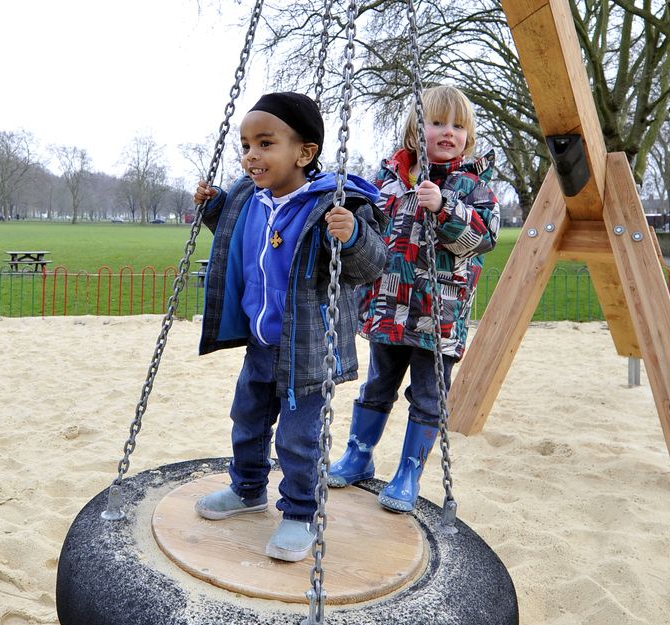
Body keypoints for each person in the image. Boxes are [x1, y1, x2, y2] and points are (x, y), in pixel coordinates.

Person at [193, 91, 389, 562]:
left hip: (308, 348)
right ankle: (248, 490)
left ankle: (300, 514)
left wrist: (354, 235)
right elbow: (235, 233)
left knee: (299, 438)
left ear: (304, 153)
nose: (250, 155)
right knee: (248, 419)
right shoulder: (248, 197)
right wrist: (214, 206)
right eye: (245, 145)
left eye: (265, 143)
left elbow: (372, 264)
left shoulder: (333, 204)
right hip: (262, 345)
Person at [328, 85, 500, 512]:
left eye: (458, 126)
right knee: (376, 385)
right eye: (437, 122)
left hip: (438, 313)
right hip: (388, 306)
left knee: (427, 396)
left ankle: (408, 472)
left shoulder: (474, 187)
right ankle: (359, 455)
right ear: (413, 130)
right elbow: (368, 233)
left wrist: (444, 207)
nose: (448, 132)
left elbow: (481, 239)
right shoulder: (387, 182)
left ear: (468, 135)